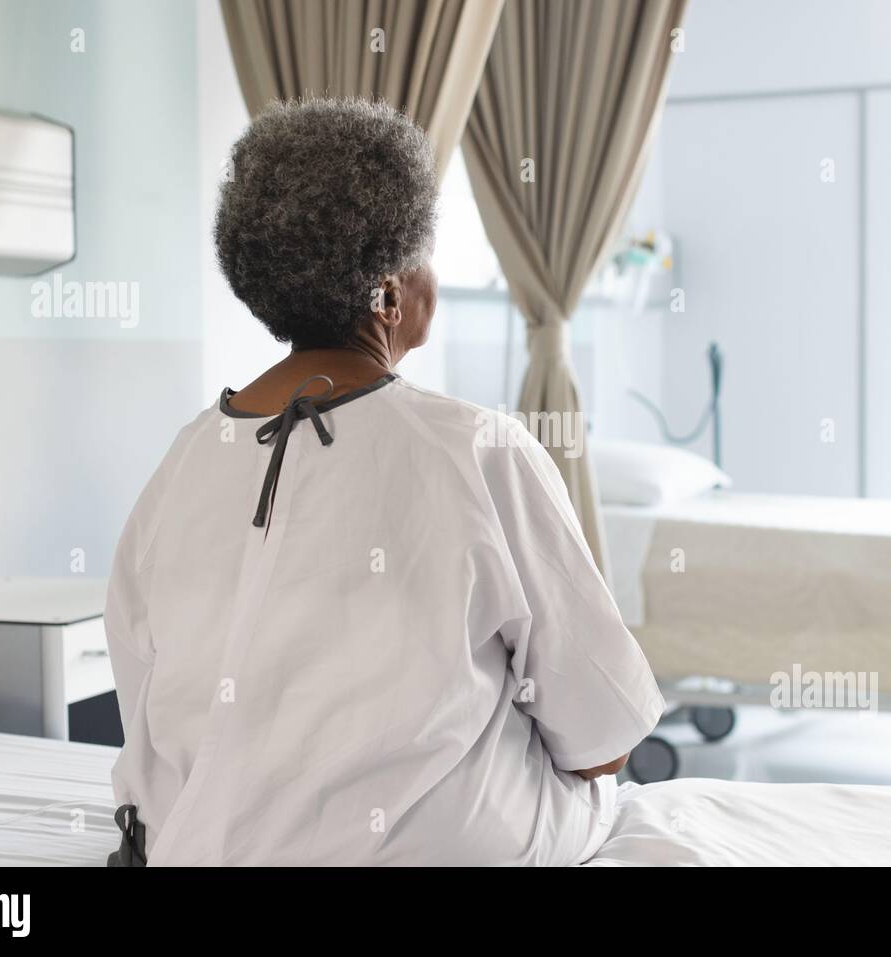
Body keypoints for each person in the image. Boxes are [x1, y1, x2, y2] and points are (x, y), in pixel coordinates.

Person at [104, 96, 663, 866]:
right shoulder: (480, 450)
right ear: (391, 294)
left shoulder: (182, 462)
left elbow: (147, 707)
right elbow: (604, 742)